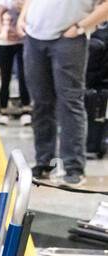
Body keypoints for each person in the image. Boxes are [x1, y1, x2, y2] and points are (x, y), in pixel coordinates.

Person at [21, 0, 108, 184]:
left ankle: (73, 166)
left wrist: (80, 27)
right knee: (40, 103)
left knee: (70, 102)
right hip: (34, 36)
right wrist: (23, 17)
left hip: (68, 39)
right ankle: (44, 162)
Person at [0, 3, 32, 122]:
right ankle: (3, 110)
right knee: (5, 77)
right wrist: (3, 32)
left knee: (23, 76)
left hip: (23, 41)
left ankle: (26, 109)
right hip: (5, 41)